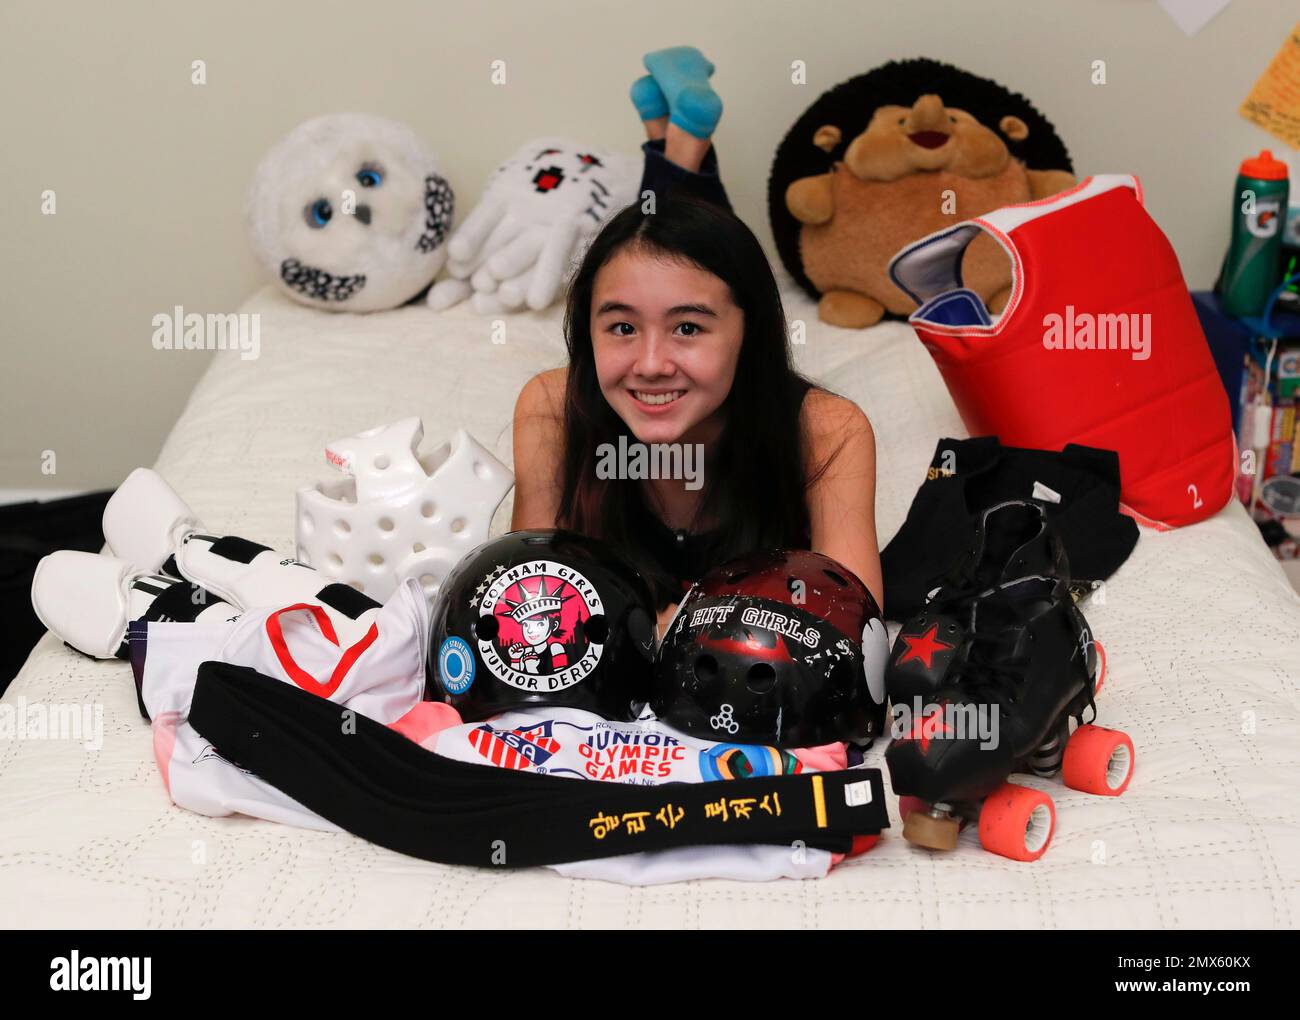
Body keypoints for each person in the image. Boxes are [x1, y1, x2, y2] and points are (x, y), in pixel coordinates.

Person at [511, 47, 881, 635]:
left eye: (688, 328)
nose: (651, 364)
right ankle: (675, 143)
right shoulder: (552, 411)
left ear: (750, 333)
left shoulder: (828, 431)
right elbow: (525, 608)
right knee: (665, 252)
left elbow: (850, 633)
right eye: (621, 328)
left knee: (678, 253)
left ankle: (676, 143)